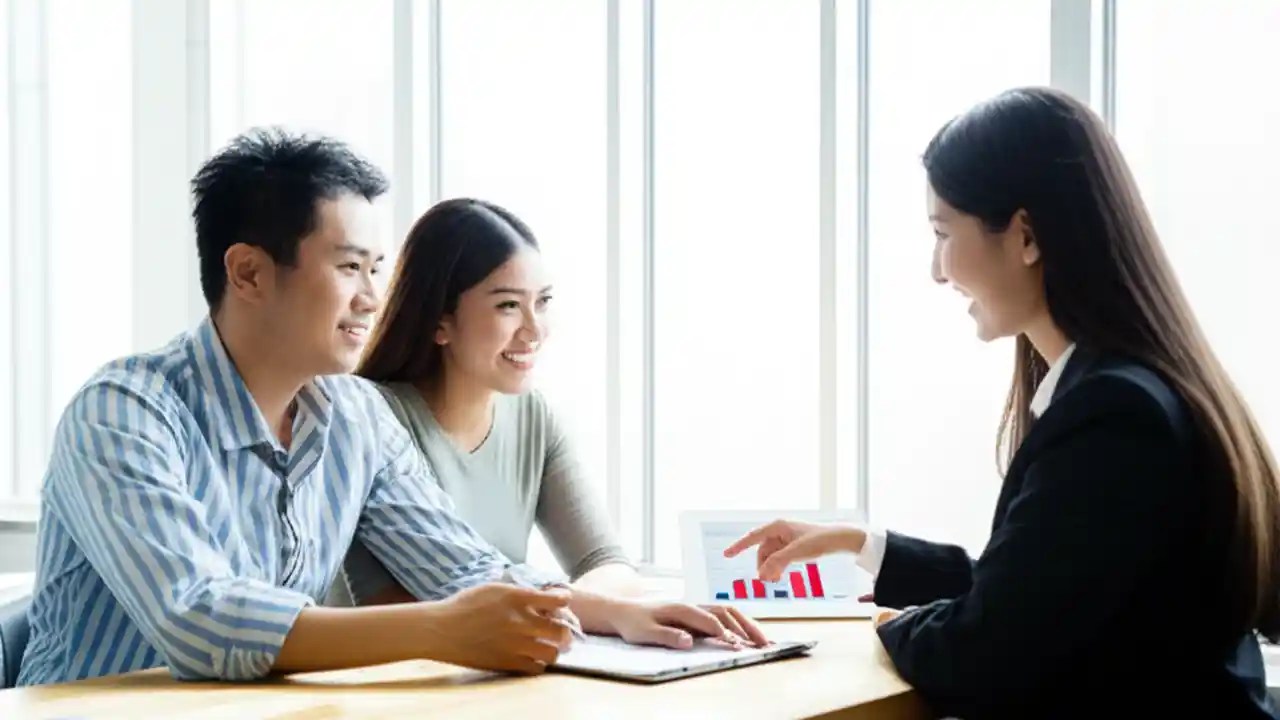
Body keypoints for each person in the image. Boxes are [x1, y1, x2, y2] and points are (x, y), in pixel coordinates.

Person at [17, 129, 763, 688]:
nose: (374, 298)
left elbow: (462, 566)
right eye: (349, 268)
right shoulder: (122, 413)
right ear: (247, 272)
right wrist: (441, 631)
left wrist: (617, 615)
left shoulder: (353, 416)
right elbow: (199, 618)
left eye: (377, 268)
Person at [724, 87, 1280, 718]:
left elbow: (987, 647)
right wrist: (865, 544)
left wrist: (883, 628)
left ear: (1025, 235)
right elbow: (1037, 588)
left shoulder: (1114, 415)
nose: (937, 270)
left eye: (942, 232)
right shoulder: (1135, 389)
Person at [330, 197, 764, 646]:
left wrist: (597, 610)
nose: (534, 330)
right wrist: (594, 611)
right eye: (507, 306)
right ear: (441, 321)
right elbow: (405, 608)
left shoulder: (532, 416)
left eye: (544, 301)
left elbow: (607, 564)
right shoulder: (372, 422)